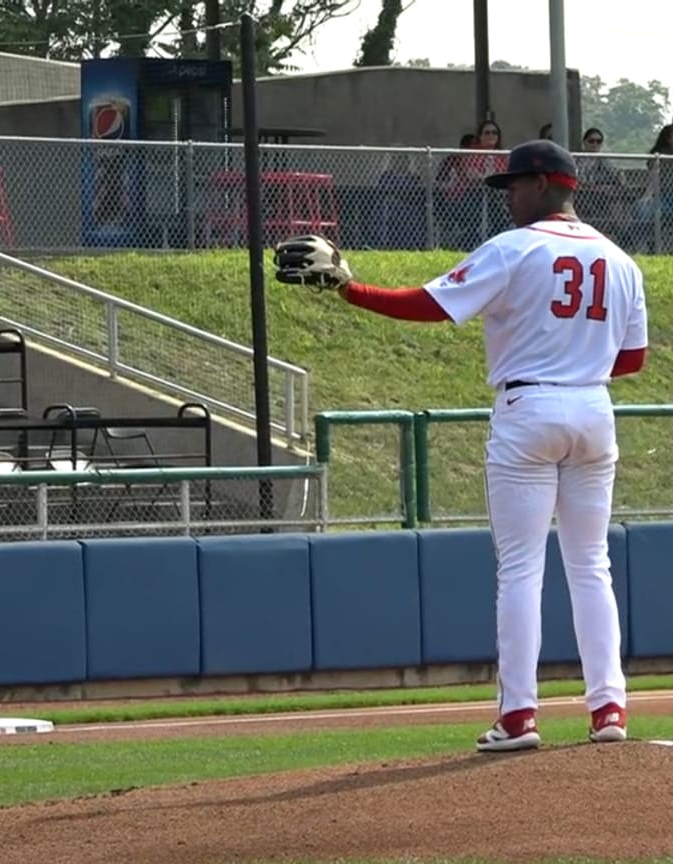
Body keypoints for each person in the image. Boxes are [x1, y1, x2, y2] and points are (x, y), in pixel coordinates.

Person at [271, 139, 648, 753]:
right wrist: (576, 353)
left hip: (529, 408)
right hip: (594, 410)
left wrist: (349, 288)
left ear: (546, 183)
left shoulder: (515, 247)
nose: (509, 196)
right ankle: (608, 709)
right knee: (591, 566)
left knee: (521, 569)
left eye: (515, 184)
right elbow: (632, 359)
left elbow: (430, 304)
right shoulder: (621, 260)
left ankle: (518, 717)